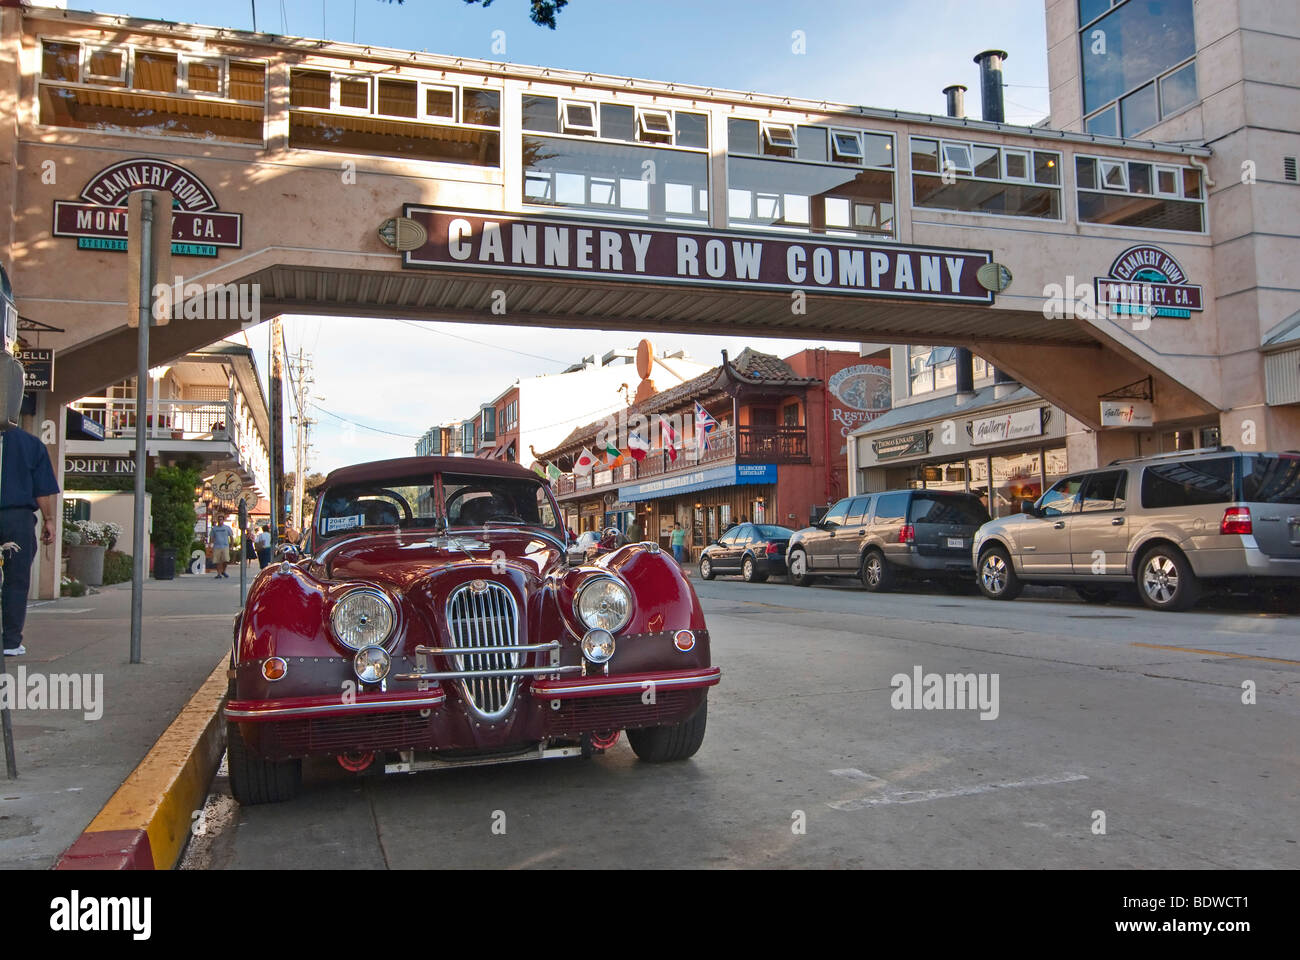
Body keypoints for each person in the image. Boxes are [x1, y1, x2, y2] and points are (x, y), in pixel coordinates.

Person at [1, 427, 59, 657]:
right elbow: (41, 491)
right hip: (17, 519)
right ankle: (11, 642)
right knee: (16, 581)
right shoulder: (31, 444)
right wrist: (49, 520)